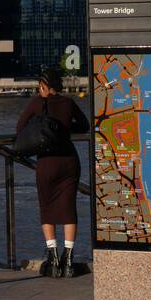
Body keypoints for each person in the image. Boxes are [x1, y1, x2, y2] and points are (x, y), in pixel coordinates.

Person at [16, 68, 90, 278]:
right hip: (69, 160)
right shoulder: (68, 103)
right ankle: (68, 260)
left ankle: (53, 257)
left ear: (44, 86)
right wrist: (64, 130)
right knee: (68, 209)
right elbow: (83, 125)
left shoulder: (37, 103)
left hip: (47, 163)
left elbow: (20, 127)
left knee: (47, 208)